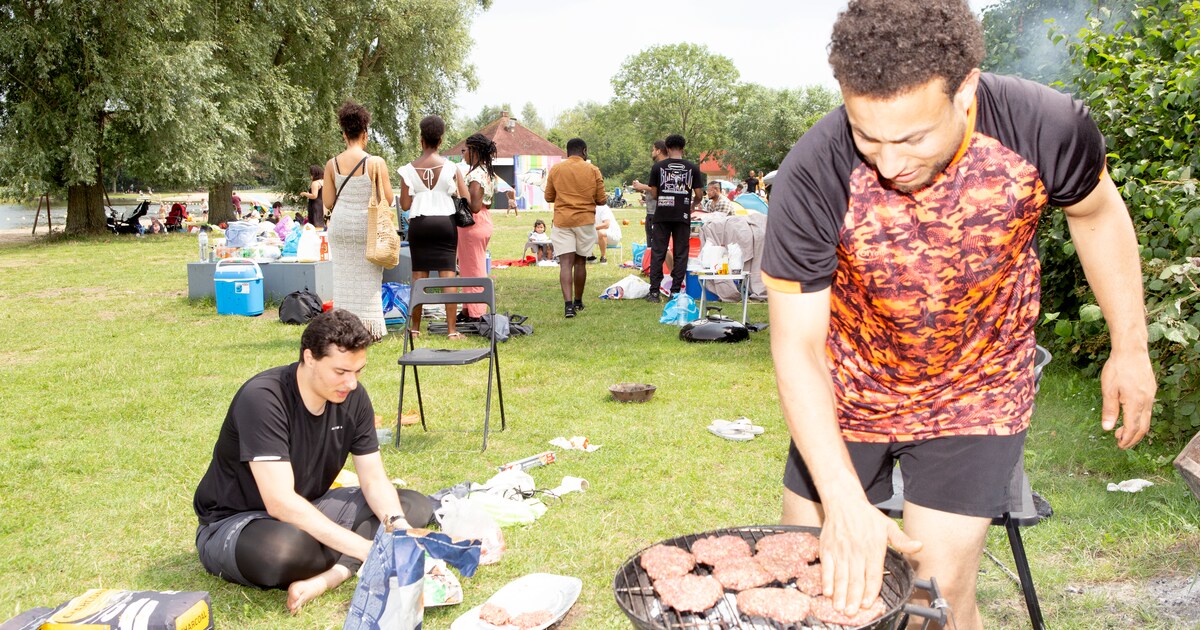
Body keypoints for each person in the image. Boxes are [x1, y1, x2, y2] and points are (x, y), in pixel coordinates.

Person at [759, 1, 1156, 626]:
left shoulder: (1043, 126)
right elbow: (797, 344)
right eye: (868, 137)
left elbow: (1097, 214)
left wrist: (1129, 346)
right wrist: (842, 500)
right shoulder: (814, 171)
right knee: (810, 580)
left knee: (932, 597)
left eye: (912, 138)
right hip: (850, 388)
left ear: (965, 89)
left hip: (978, 389)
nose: (889, 164)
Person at [193, 309, 433, 614]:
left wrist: (399, 531)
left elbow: (373, 479)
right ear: (309, 358)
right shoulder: (264, 398)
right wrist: (368, 548)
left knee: (412, 506)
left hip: (311, 505)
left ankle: (333, 575)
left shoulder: (354, 398)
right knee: (282, 553)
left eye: (358, 371)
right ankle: (361, 552)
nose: (351, 383)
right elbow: (280, 503)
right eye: (340, 372)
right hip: (239, 522)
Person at [322, 100, 394, 340]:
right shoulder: (376, 163)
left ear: (344, 133)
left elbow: (328, 201)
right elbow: (388, 198)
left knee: (343, 280)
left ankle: (343, 329)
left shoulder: (332, 164)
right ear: (365, 133)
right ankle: (371, 328)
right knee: (369, 281)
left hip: (341, 227)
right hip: (367, 228)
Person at [397, 115, 467, 339]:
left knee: (419, 277)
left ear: (421, 139)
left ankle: (415, 329)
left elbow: (405, 205)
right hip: (445, 223)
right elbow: (465, 198)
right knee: (448, 276)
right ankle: (452, 331)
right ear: (440, 140)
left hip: (420, 224)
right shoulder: (452, 167)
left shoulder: (407, 169)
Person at [544, 137, 606, 318]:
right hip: (585, 220)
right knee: (580, 262)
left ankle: (568, 306)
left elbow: (548, 197)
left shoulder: (556, 169)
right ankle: (578, 301)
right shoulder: (593, 170)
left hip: (562, 221)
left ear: (567, 151)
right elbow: (602, 199)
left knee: (565, 263)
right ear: (584, 151)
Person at [645, 134, 705, 303]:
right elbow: (699, 194)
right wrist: (693, 204)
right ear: (683, 148)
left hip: (662, 214)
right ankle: (676, 291)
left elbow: (654, 193)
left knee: (658, 252)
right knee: (681, 253)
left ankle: (654, 292)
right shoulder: (692, 168)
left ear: (667, 148)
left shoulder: (658, 167)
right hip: (682, 215)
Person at [458, 133, 505, 323]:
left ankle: (476, 312)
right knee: (469, 267)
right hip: (483, 219)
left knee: (474, 269)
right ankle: (468, 309)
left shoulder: (476, 175)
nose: (463, 154)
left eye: (465, 150)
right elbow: (488, 202)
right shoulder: (488, 172)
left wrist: (460, 192)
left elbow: (474, 206)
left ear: (474, 151)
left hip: (473, 222)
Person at [631, 140, 667, 246]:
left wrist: (641, 186)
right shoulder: (666, 166)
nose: (652, 152)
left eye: (653, 150)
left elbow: (660, 189)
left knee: (654, 245)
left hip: (656, 212)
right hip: (656, 211)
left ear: (658, 151)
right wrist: (643, 189)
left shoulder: (659, 167)